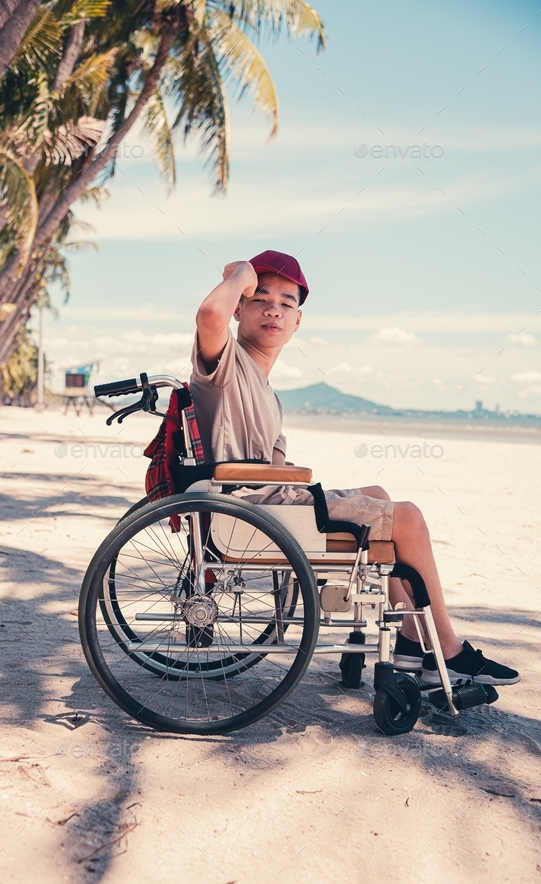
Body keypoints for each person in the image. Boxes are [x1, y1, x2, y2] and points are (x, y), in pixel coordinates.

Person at [190, 250, 520, 687]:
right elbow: (210, 313)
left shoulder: (267, 393)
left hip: (267, 504)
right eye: (260, 298)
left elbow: (277, 470)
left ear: (298, 321)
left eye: (287, 304)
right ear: (239, 308)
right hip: (252, 513)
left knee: (380, 495)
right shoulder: (226, 363)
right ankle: (448, 650)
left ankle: (408, 643)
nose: (274, 310)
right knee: (409, 517)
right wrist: (238, 273)